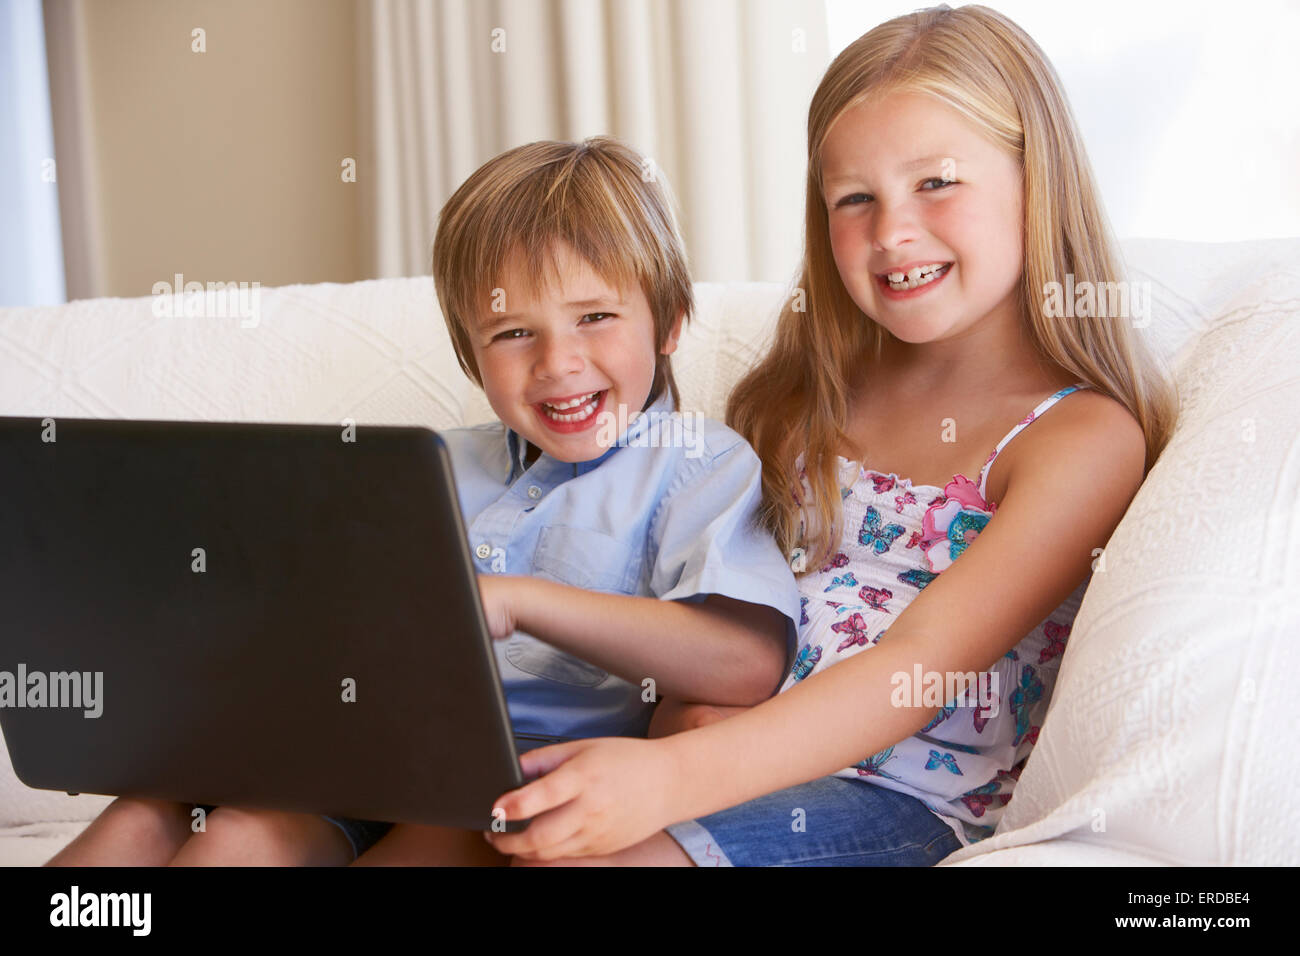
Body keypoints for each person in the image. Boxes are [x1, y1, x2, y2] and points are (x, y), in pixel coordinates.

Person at [481, 4, 1180, 866]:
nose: (892, 234)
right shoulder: (797, 399)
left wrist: (676, 775)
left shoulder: (1077, 438)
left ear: (1038, 180)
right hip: (719, 759)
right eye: (856, 199)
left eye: (936, 183)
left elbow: (916, 671)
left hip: (900, 802)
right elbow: (707, 614)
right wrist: (668, 732)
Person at [46, 137, 801, 866]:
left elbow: (742, 665)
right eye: (512, 332)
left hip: (513, 788)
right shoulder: (428, 464)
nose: (557, 363)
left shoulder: (698, 464)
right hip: (349, 749)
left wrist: (523, 601)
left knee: (428, 839)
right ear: (472, 356)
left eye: (594, 318)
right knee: (180, 820)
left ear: (668, 322)